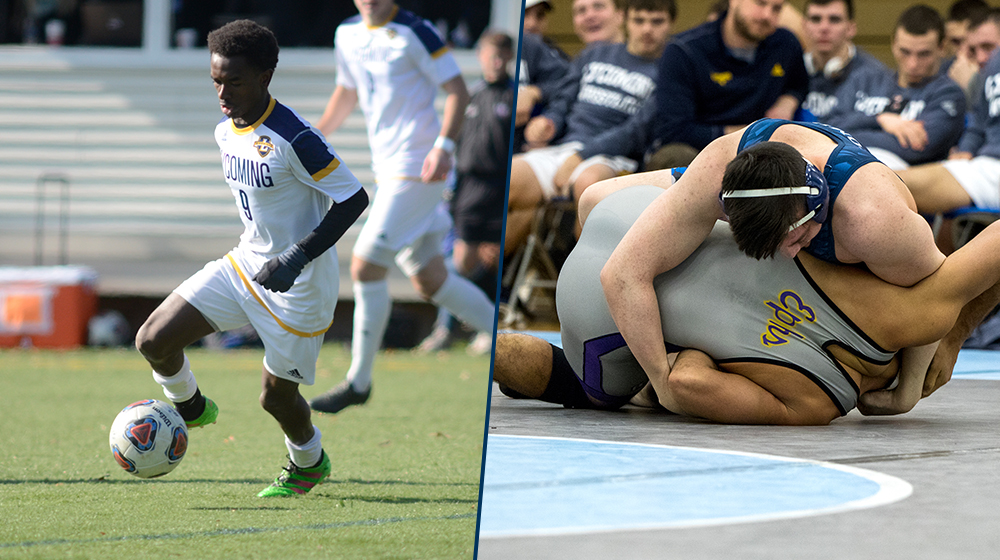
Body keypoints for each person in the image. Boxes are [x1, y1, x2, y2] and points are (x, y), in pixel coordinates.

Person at [584, 118, 999, 418]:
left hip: (858, 215)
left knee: (907, 307)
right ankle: (666, 337)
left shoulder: (874, 223)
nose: (787, 253)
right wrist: (659, 377)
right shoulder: (714, 173)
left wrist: (907, 391)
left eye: (795, 239)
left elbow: (935, 286)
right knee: (594, 201)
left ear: (817, 206)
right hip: (756, 175)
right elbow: (621, 273)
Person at [493, 184, 1000, 425]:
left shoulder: (894, 304)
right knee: (603, 393)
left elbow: (987, 253)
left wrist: (945, 340)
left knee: (598, 199)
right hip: (591, 303)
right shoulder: (815, 403)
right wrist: (680, 373)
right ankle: (488, 350)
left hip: (628, 210)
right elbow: (688, 381)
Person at [134, 20, 369, 497]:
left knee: (275, 399)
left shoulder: (295, 138)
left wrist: (296, 257)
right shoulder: (226, 131)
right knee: (153, 339)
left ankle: (309, 462)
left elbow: (355, 199)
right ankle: (193, 410)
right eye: (216, 80)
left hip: (299, 289)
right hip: (244, 267)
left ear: (265, 77)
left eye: (234, 81)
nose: (222, 92)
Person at [309, 0, 496, 414]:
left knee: (365, 264)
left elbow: (457, 90)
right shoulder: (347, 34)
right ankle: (508, 339)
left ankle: (358, 381)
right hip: (388, 172)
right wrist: (316, 134)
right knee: (431, 280)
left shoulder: (417, 32)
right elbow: (348, 89)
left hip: (418, 169)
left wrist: (444, 147)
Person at [505, 0, 674, 255]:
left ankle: (583, 278)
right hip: (563, 150)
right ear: (625, 20)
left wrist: (580, 157)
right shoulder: (595, 55)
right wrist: (549, 121)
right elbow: (564, 99)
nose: (647, 29)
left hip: (614, 157)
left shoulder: (669, 73)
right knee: (505, 178)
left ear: (670, 25)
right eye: (639, 21)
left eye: (657, 22)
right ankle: (488, 277)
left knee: (590, 187)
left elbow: (636, 131)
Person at [418, 31, 515, 354]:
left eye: (502, 56)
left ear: (510, 58)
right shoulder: (471, 97)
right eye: (491, 55)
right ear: (481, 57)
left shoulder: (515, 96)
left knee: (497, 261)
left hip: (500, 189)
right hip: (469, 190)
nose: (496, 62)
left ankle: (491, 331)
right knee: (459, 262)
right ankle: (445, 329)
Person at [650, 0, 808, 162]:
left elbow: (799, 85)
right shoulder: (684, 50)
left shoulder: (786, 44)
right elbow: (674, 131)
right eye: (760, 3)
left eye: (776, 8)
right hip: (701, 153)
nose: (767, 15)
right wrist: (754, 135)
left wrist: (787, 102)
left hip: (763, 155)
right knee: (675, 156)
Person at [824, 5, 966, 169]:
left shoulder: (948, 93)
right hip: (840, 166)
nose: (912, 64)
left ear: (941, 48)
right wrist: (879, 120)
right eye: (905, 52)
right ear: (893, 43)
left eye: (923, 54)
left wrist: (847, 135)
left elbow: (915, 149)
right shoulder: (864, 79)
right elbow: (827, 127)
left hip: (904, 178)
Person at [896, 9, 1000, 216]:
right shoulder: (989, 71)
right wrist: (966, 150)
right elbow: (978, 124)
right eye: (972, 50)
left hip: (993, 167)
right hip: (984, 165)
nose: (980, 58)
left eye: (988, 47)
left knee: (888, 184)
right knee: (888, 182)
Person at [800, 0, 889, 123]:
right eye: (816, 19)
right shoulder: (791, 68)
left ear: (850, 28)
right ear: (804, 26)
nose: (824, 28)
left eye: (834, 20)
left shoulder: (875, 76)